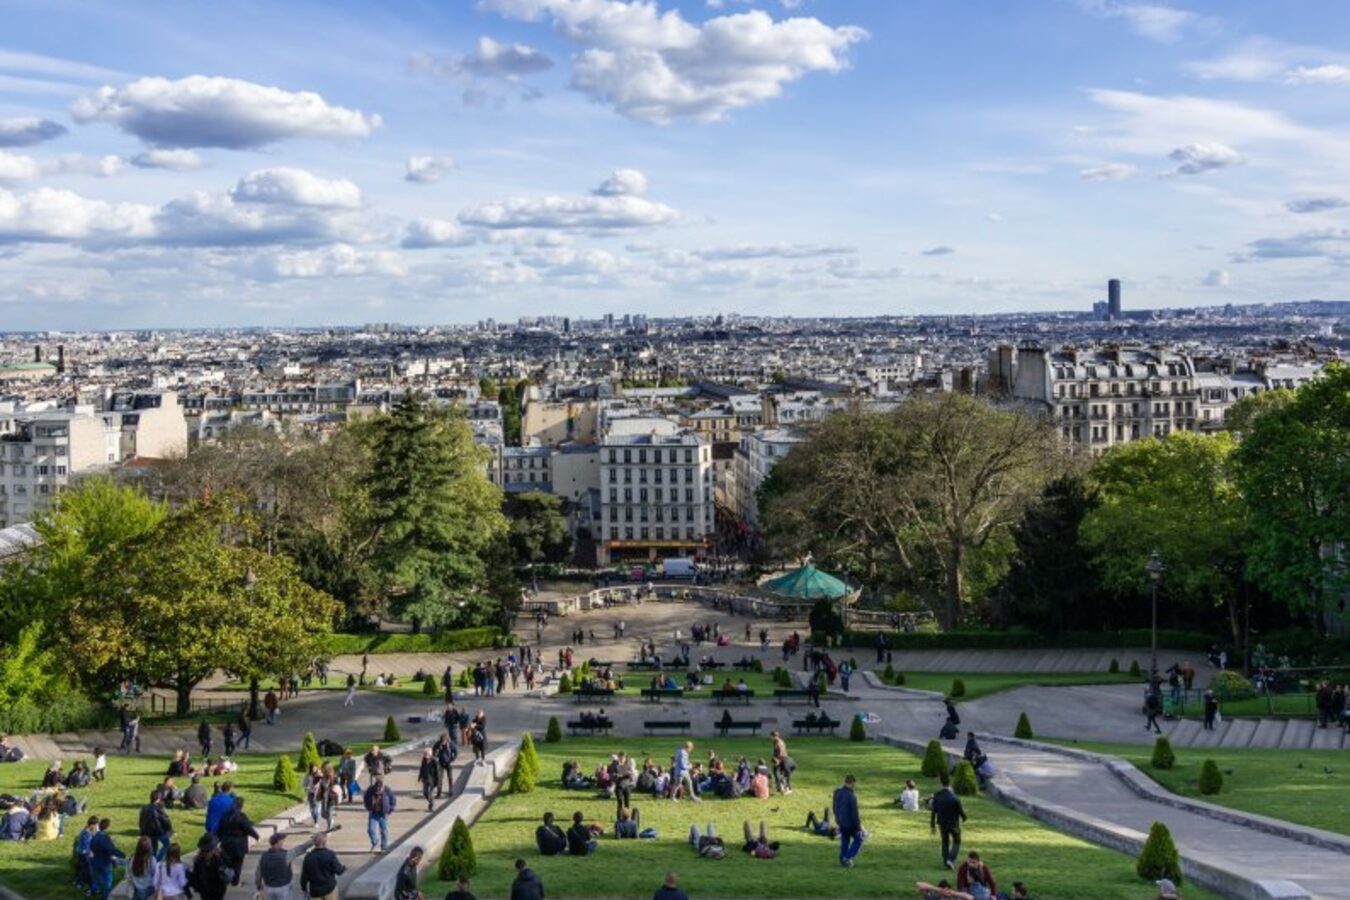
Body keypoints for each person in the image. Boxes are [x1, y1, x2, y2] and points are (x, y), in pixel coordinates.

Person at [217, 796, 259, 886]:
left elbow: (219, 830)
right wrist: (256, 836)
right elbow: (248, 828)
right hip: (239, 844)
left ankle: (226, 878)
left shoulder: (224, 816)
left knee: (227, 861)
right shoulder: (241, 817)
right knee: (238, 864)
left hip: (226, 843)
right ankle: (235, 881)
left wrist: (219, 839)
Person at [930, 776, 967, 870]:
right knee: (957, 841)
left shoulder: (937, 795)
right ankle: (950, 859)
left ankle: (945, 860)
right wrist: (964, 817)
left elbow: (934, 811)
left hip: (942, 823)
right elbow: (960, 811)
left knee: (945, 841)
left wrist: (932, 825)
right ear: (950, 785)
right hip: (953, 824)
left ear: (941, 784)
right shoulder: (954, 797)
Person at [299, 831, 346, 900]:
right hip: (329, 888)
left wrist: (304, 888)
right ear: (325, 842)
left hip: (315, 890)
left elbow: (304, 876)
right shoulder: (330, 855)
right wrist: (344, 868)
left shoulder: (308, 857)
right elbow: (339, 871)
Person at [89, 818, 126, 900]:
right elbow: (111, 849)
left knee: (98, 877)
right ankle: (106, 896)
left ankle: (92, 890)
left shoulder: (94, 837)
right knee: (108, 880)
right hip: (104, 862)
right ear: (107, 827)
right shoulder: (105, 838)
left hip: (95, 861)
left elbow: (91, 847)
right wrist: (122, 854)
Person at [832, 774, 863, 868]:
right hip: (851, 824)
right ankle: (847, 857)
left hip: (841, 822)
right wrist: (858, 826)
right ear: (852, 783)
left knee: (845, 841)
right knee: (859, 840)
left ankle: (842, 859)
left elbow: (834, 807)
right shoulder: (852, 796)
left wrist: (837, 819)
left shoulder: (837, 793)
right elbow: (855, 813)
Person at [190, 833, 232, 900]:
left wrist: (196, 886)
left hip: (205, 888)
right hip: (217, 888)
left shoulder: (199, 859)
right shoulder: (219, 857)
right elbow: (230, 865)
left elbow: (195, 875)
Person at [139, 788, 173, 861]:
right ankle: (157, 860)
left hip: (146, 832)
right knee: (167, 845)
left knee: (154, 848)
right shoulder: (159, 808)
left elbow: (141, 821)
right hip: (157, 832)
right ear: (158, 799)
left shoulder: (144, 808)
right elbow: (166, 820)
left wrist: (142, 829)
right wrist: (170, 830)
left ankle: (152, 861)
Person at [365, 777, 397, 852]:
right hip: (373, 813)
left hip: (383, 814)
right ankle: (375, 842)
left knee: (384, 831)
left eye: (380, 788)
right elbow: (366, 798)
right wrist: (368, 807)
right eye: (377, 788)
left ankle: (384, 847)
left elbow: (393, 800)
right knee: (370, 830)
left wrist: (390, 810)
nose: (378, 790)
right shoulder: (371, 790)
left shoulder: (387, 790)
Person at [73, 814, 100, 893]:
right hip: (84, 854)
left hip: (80, 852)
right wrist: (90, 852)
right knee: (89, 872)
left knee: (83, 869)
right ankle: (92, 888)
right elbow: (86, 846)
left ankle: (79, 882)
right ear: (92, 825)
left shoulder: (86, 830)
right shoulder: (86, 834)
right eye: (95, 825)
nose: (96, 827)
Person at [434, 733, 457, 798]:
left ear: (447, 740)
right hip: (440, 763)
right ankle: (439, 792)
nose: (443, 743)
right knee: (439, 778)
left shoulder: (451, 744)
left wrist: (452, 760)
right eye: (441, 742)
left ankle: (450, 790)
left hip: (448, 763)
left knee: (450, 777)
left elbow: (456, 752)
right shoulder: (438, 744)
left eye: (444, 742)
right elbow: (434, 751)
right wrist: (436, 757)